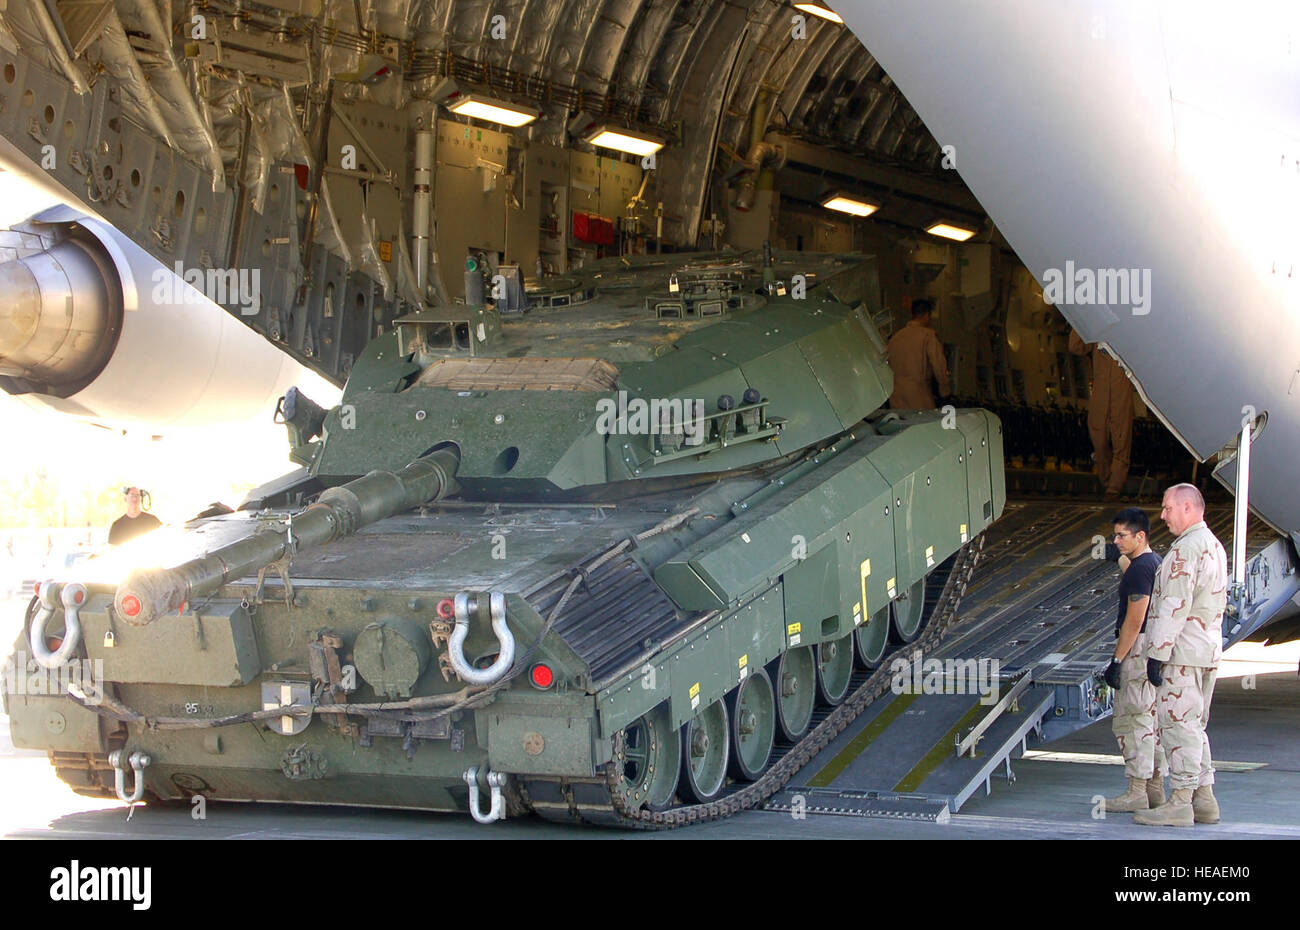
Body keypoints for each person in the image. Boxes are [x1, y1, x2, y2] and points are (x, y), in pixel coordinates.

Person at [1134, 483, 1228, 827]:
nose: (1162, 515)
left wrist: (1156, 655)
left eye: (1167, 508)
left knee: (1178, 727)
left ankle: (1181, 801)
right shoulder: (1214, 546)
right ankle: (1204, 799)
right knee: (1195, 726)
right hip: (1205, 650)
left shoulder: (1186, 550)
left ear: (1188, 509)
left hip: (1182, 653)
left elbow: (1173, 605)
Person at [1100, 507, 1167, 812]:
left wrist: (1116, 660)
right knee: (1150, 722)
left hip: (1136, 650)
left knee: (1132, 721)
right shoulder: (1152, 562)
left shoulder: (1141, 569)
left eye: (1122, 536)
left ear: (1140, 536)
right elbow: (1136, 573)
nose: (1116, 541)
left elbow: (1134, 620)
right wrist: (1122, 560)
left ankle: (1137, 790)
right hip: (1150, 648)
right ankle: (1155, 789)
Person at [1068, 330, 1134, 500]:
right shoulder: (1097, 329)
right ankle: (1106, 479)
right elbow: (1076, 347)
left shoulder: (1129, 332)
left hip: (1121, 393)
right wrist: (1080, 320)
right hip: (1101, 394)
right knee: (1098, 437)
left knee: (1121, 439)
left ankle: (1114, 488)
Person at [887, 299, 950, 409]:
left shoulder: (895, 337)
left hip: (896, 396)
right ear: (927, 315)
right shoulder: (928, 336)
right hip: (919, 395)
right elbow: (938, 365)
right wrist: (945, 391)